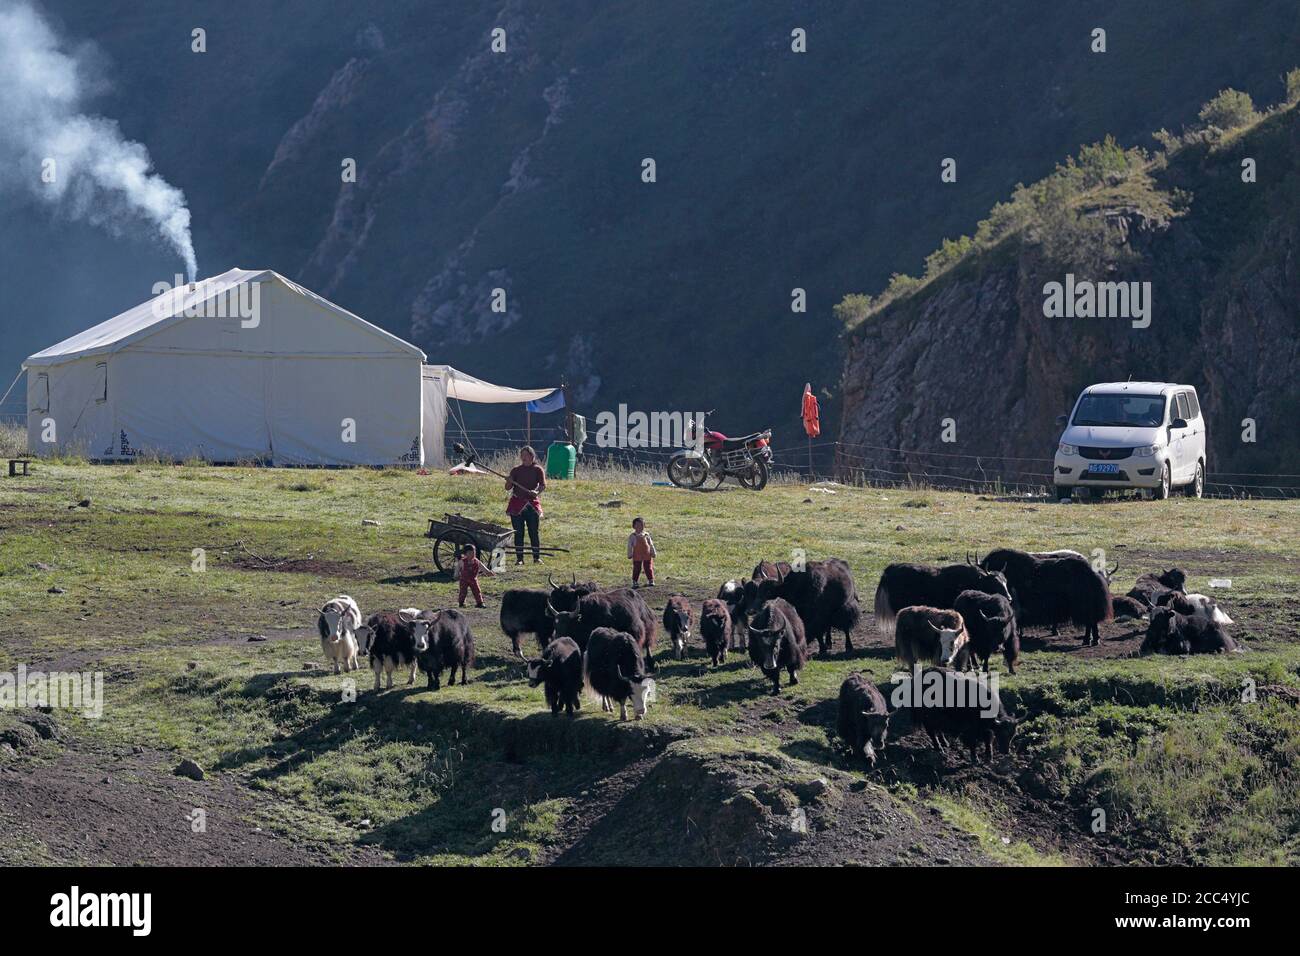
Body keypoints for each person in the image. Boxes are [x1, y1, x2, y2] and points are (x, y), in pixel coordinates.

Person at [506, 445, 546, 564]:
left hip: (531, 504)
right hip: (517, 504)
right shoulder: (516, 470)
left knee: (533, 531)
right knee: (518, 532)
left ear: (532, 457)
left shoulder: (538, 469)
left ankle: (536, 557)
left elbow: (543, 485)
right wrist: (509, 481)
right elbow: (507, 487)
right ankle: (520, 559)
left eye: (526, 455)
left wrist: (536, 491)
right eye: (522, 455)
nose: (524, 458)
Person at [627, 516, 656, 587]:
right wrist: (629, 554)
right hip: (637, 555)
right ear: (633, 526)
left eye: (641, 525)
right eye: (637, 525)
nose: (639, 527)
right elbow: (629, 546)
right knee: (637, 568)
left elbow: (651, 544)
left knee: (648, 567)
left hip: (647, 554)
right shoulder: (632, 536)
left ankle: (651, 580)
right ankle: (635, 581)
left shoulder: (646, 535)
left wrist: (653, 552)